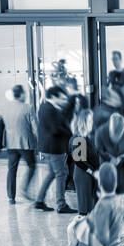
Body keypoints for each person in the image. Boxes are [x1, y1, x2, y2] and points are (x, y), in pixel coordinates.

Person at [93, 110, 124, 239]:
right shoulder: (100, 131)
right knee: (107, 198)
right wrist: (110, 157)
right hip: (108, 168)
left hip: (123, 167)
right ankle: (107, 227)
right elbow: (98, 150)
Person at [34, 85, 74, 213]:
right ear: (53, 97)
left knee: (52, 174)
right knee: (61, 174)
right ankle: (61, 205)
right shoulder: (48, 109)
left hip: (49, 147)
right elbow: (55, 129)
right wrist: (70, 132)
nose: (64, 100)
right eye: (62, 98)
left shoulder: (47, 107)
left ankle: (39, 201)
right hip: (54, 148)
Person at [1, 84, 38, 203]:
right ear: (21, 94)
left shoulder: (5, 108)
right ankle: (24, 189)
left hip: (11, 143)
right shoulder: (28, 108)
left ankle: (11, 197)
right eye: (25, 94)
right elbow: (35, 128)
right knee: (32, 166)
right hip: (25, 143)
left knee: (12, 169)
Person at [68, 107, 99, 218]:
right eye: (90, 120)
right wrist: (92, 172)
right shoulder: (78, 138)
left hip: (87, 174)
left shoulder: (86, 137)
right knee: (84, 208)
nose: (92, 123)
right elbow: (79, 161)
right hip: (83, 175)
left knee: (89, 206)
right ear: (84, 122)